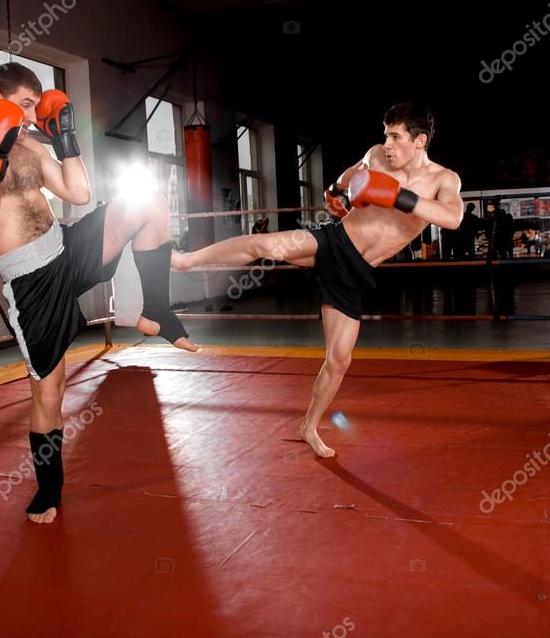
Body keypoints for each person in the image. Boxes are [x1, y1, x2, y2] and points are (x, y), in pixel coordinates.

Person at [0, 63, 197, 524]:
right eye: (22, 107)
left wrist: (65, 138)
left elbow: (79, 194)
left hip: (66, 248)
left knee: (148, 202)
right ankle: (49, 491)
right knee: (49, 395)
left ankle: (155, 307)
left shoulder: (32, 144)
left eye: (37, 111)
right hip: (30, 279)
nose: (29, 118)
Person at [172, 102, 463, 457]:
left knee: (340, 360)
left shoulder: (443, 179)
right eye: (386, 134)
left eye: (396, 136)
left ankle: (308, 426)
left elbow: (452, 217)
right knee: (268, 245)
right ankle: (185, 262)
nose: (387, 143)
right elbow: (344, 180)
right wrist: (335, 194)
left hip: (354, 272)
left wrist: (399, 196)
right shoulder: (376, 155)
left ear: (419, 140)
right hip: (331, 241)